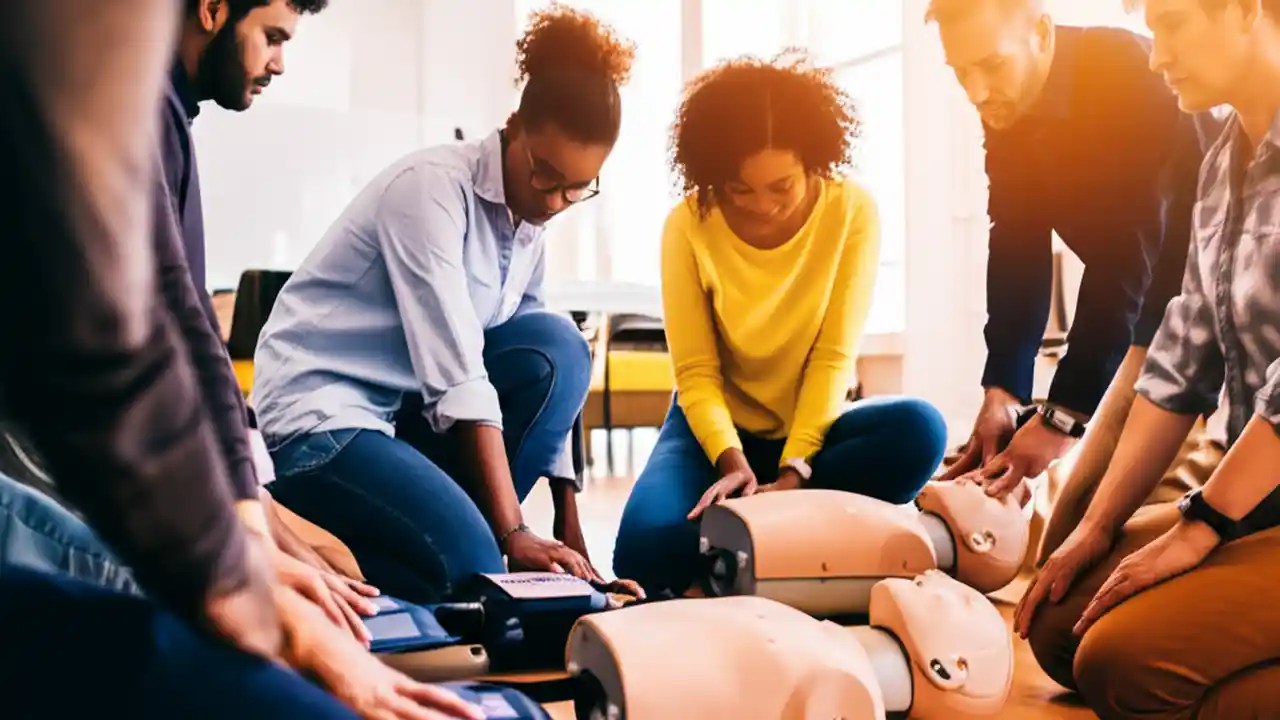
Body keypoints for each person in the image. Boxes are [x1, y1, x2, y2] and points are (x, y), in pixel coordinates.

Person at [0, 1, 481, 718]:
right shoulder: (103, 65)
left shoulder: (164, 115)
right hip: (54, 458)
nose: (280, 62)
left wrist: (254, 522)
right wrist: (236, 572)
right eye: (273, 36)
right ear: (213, 9)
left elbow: (189, 325)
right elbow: (105, 348)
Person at [251, 5, 642, 605]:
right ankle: (296, 525)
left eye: (577, 188)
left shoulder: (529, 221)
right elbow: (458, 374)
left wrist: (573, 534)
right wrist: (512, 532)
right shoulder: (430, 190)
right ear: (514, 125)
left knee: (559, 346)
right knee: (473, 569)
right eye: (545, 173)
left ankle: (418, 534)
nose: (554, 201)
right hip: (324, 416)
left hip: (403, 418)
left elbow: (541, 369)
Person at [1014, 1, 1280, 716]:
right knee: (1060, 623)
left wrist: (1202, 528)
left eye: (1172, 24)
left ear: (1247, 9)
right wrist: (1096, 527)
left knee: (1123, 666)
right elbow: (1184, 354)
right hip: (1266, 499)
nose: (1157, 56)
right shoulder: (1225, 158)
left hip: (1253, 497)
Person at [610, 52, 949, 596]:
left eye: (781, 186)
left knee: (920, 431)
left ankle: (755, 539)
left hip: (812, 437)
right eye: (739, 188)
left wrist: (795, 471)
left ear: (814, 161)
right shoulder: (687, 225)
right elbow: (696, 373)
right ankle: (787, 544)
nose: (763, 205)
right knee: (643, 551)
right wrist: (732, 460)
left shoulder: (851, 211)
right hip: (714, 434)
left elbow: (832, 358)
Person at [927, 0, 1207, 504]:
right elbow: (1017, 239)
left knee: (1140, 520)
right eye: (961, 72)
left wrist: (1063, 417)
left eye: (992, 65)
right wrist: (1004, 389)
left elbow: (1123, 252)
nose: (977, 91)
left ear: (1041, 33)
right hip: (1155, 322)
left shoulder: (1126, 72)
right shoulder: (1008, 104)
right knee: (1075, 515)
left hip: (1225, 315)